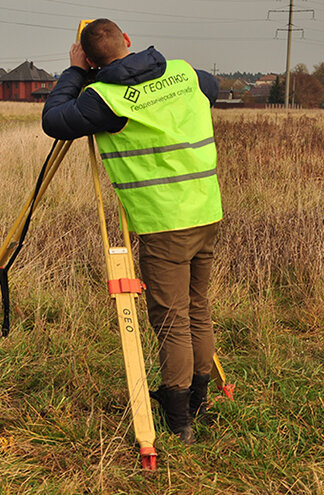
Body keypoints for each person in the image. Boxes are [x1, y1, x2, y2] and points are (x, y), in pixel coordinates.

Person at [42, 19, 220, 444]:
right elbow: (210, 89)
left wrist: (74, 73)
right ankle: (199, 395)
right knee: (197, 306)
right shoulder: (183, 72)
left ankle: (179, 417)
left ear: (88, 58)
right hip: (206, 211)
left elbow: (53, 119)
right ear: (127, 41)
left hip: (164, 224)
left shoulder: (104, 99)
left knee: (172, 318)